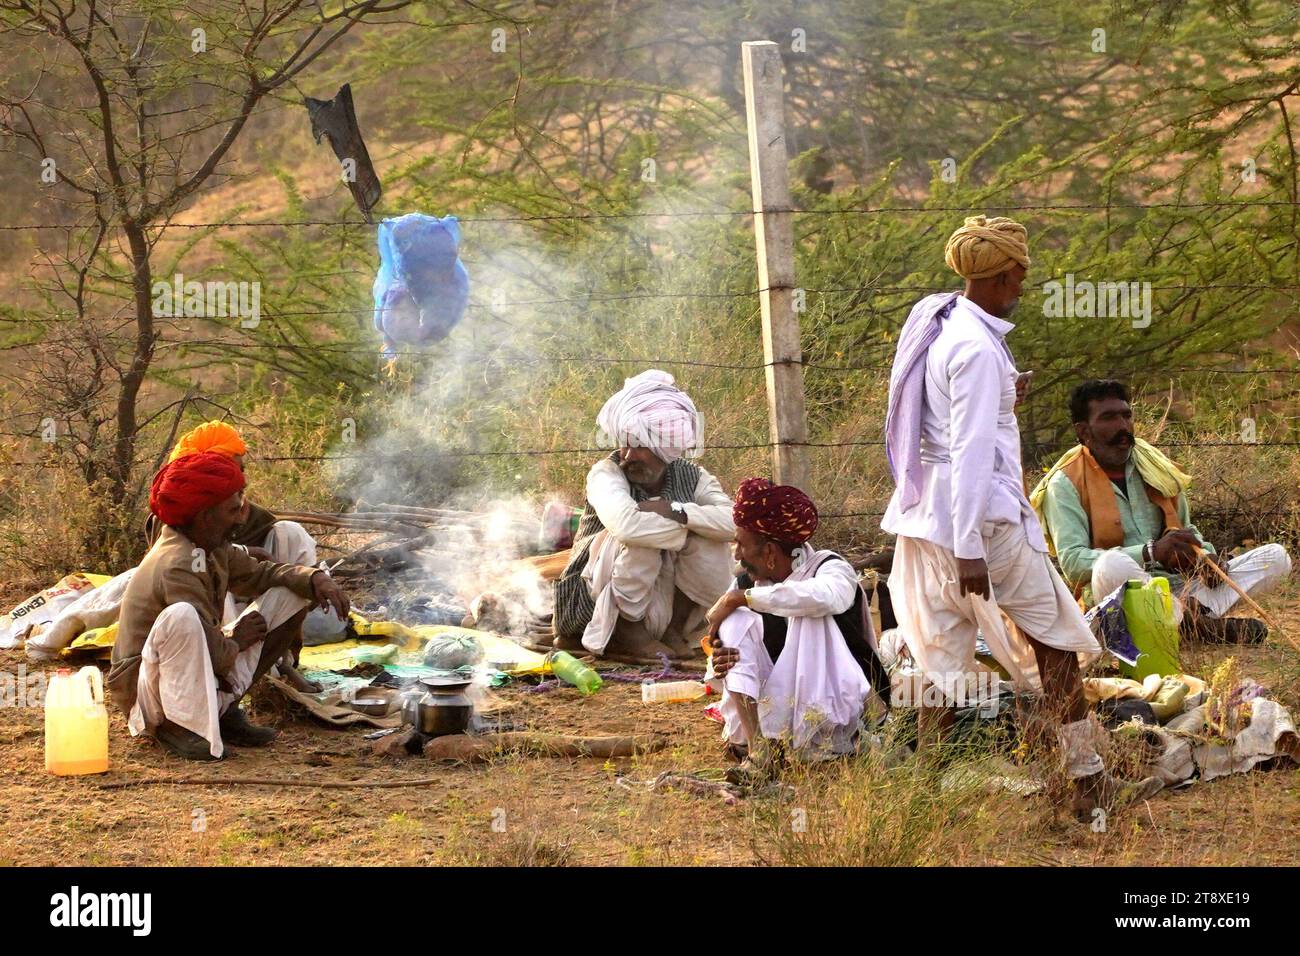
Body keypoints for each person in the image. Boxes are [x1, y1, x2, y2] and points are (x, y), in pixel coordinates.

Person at [882, 215, 1161, 818]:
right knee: (1056, 643)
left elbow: (949, 421)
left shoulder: (945, 323)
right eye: (1022, 272)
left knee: (940, 658)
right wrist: (969, 549)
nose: (1025, 282)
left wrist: (1004, 396)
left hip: (923, 517)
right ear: (1006, 274)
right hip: (981, 525)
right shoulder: (978, 349)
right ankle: (1088, 786)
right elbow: (973, 450)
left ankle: (920, 799)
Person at [108, 451, 349, 760]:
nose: (241, 518)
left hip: (209, 657)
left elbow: (262, 574)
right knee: (181, 617)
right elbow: (211, 652)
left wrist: (315, 578)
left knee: (291, 592)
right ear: (206, 515)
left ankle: (224, 711)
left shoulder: (210, 545)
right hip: (147, 695)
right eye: (233, 509)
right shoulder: (178, 562)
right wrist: (236, 640)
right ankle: (176, 727)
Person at [1031, 379, 1290, 643]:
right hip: (1121, 598)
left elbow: (1186, 530)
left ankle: (1183, 623)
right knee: (1110, 565)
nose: (1122, 426)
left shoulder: (1155, 466)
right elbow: (1074, 564)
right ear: (1083, 431)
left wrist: (1206, 558)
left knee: (1276, 557)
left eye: (1126, 415)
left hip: (1184, 591)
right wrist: (1151, 552)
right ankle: (1201, 627)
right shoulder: (1063, 483)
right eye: (1108, 417)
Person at [705, 479, 890, 778]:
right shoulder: (746, 582)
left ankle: (826, 741)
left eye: (741, 543)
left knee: (810, 613)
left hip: (844, 711)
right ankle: (759, 751)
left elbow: (824, 597)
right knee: (735, 619)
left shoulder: (830, 568)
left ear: (769, 552)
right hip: (774, 707)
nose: (736, 553)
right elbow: (724, 633)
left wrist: (743, 598)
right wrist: (720, 657)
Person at [552, 370, 735, 659]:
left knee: (708, 539)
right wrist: (686, 528)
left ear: (664, 448)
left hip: (659, 604)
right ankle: (628, 629)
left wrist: (677, 512)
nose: (627, 455)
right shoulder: (606, 473)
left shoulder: (693, 476)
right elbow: (627, 527)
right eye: (624, 443)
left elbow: (734, 523)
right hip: (590, 603)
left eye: (638, 445)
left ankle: (673, 630)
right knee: (644, 534)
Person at [147, 421, 324, 689]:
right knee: (211, 570)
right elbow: (195, 568)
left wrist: (312, 578)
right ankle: (231, 667)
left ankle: (282, 661)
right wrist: (239, 553)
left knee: (291, 534)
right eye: (233, 470)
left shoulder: (232, 501)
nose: (241, 480)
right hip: (205, 617)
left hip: (246, 593)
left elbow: (260, 557)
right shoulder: (180, 508)